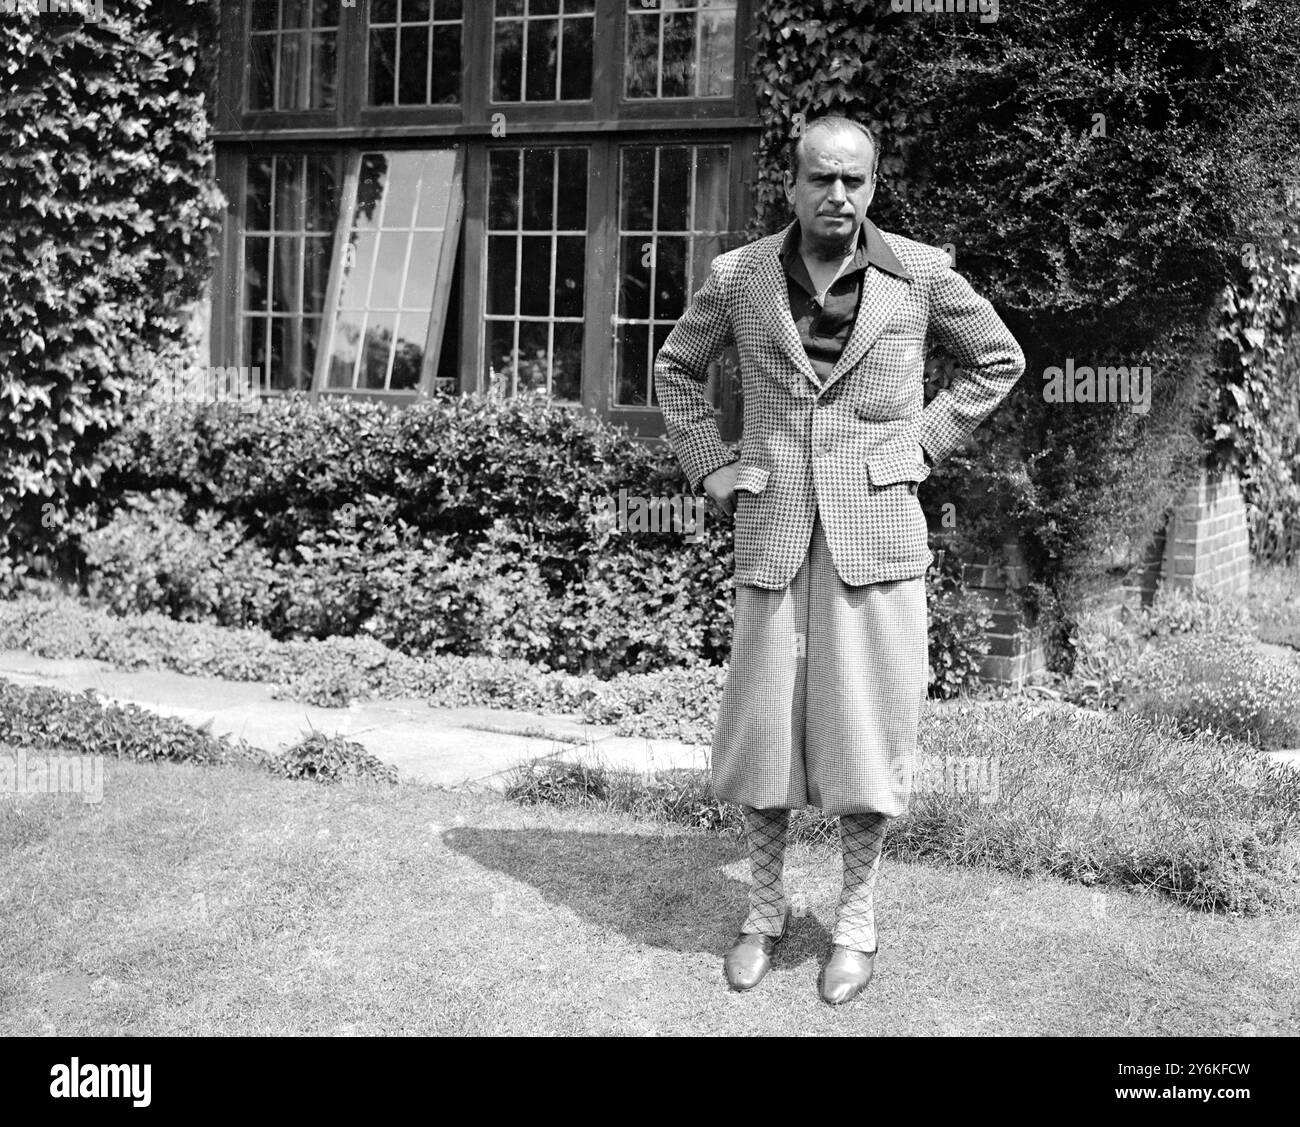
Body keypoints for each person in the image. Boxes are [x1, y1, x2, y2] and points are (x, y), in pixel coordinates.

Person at [653, 115, 1025, 1004]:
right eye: (821, 179)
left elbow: (998, 359)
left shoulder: (921, 274)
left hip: (878, 535)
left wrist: (917, 448)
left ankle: (856, 921)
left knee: (866, 734)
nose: (838, 197)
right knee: (765, 728)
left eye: (854, 181)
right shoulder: (740, 276)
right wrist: (711, 466)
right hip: (775, 529)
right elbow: (675, 370)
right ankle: (767, 909)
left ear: (874, 184)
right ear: (792, 184)